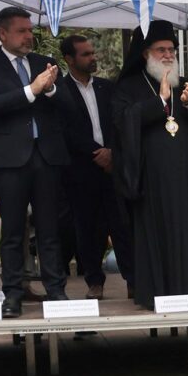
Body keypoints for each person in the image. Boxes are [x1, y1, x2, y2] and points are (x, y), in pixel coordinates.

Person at [113, 21, 188, 308]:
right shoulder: (127, 87)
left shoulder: (185, 83)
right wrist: (159, 102)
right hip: (153, 179)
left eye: (171, 50)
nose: (168, 55)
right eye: (161, 49)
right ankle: (159, 293)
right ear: (145, 53)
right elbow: (122, 123)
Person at [0, 6, 69, 315]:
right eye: (22, 31)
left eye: (30, 30)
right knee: (12, 230)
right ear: (3, 34)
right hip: (10, 159)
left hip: (46, 156)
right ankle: (12, 293)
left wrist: (49, 89)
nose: (29, 36)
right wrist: (31, 89)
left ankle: (56, 290)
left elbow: (67, 104)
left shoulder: (45, 64)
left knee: (50, 228)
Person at [55, 33, 132, 301]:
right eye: (85, 54)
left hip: (112, 167)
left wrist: (112, 152)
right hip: (81, 171)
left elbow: (119, 123)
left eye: (92, 53)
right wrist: (94, 153)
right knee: (88, 229)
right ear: (69, 59)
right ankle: (94, 282)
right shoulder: (60, 91)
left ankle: (133, 280)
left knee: (122, 225)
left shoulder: (106, 88)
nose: (92, 58)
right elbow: (65, 131)